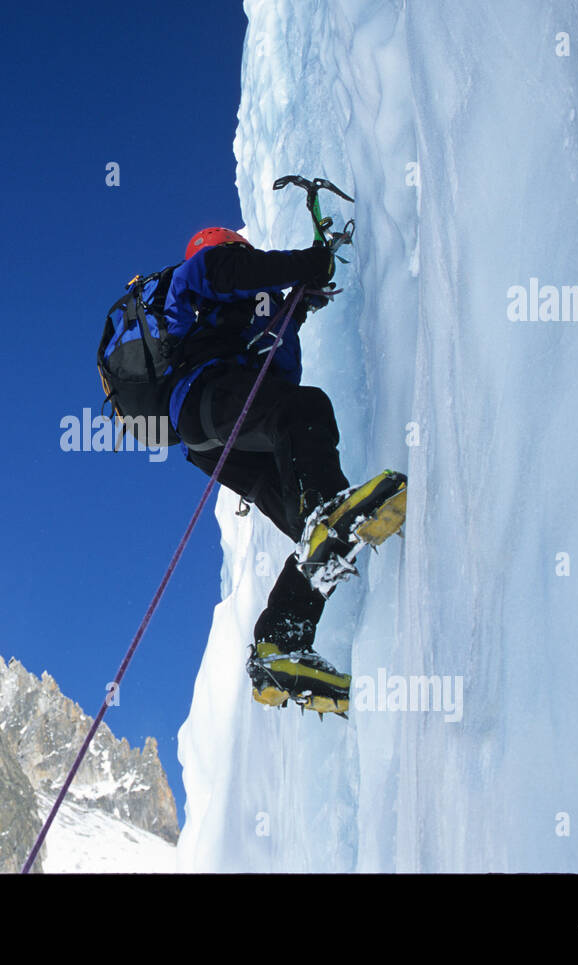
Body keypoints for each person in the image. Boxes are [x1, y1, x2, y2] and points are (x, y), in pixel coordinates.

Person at [159, 227, 402, 716]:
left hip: (220, 438)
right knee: (303, 410)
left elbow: (268, 342)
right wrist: (307, 262)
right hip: (208, 397)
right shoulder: (198, 274)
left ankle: (280, 642)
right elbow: (239, 274)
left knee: (309, 527)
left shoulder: (237, 311)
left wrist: (300, 300)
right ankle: (328, 520)